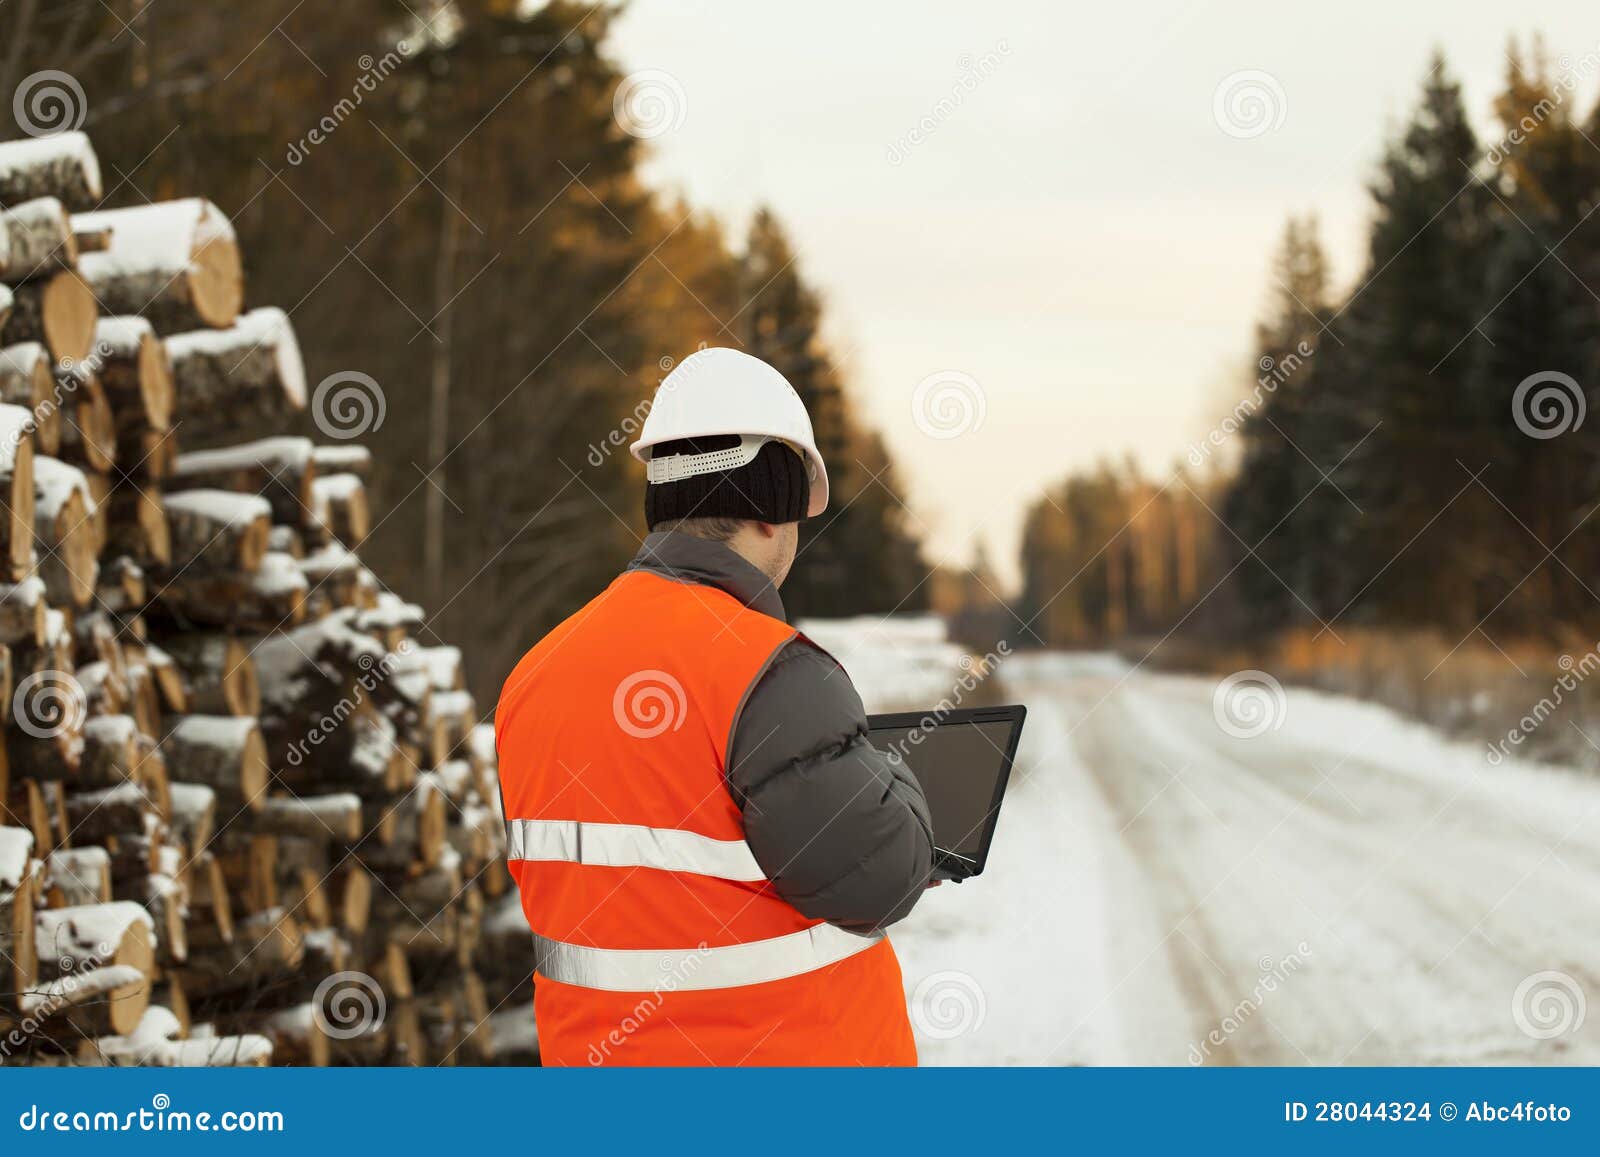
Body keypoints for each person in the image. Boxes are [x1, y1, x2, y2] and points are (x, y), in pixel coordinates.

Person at [494, 346, 935, 1066]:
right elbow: (884, 877)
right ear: (772, 507)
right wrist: (895, 784)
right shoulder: (771, 669)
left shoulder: (535, 674)